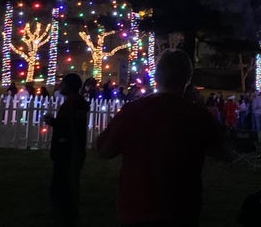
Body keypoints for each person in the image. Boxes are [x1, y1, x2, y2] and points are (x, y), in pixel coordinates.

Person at [97, 49, 231, 226]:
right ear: (187, 79)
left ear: (157, 77)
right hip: (181, 209)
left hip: (137, 208)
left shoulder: (133, 111)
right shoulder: (198, 116)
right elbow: (222, 152)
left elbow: (105, 150)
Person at [44, 73, 88, 227]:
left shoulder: (74, 103)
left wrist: (52, 122)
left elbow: (69, 127)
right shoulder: (75, 102)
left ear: (68, 86)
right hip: (68, 150)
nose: (60, 86)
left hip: (68, 151)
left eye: (63, 83)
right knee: (66, 185)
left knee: (65, 186)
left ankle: (67, 218)